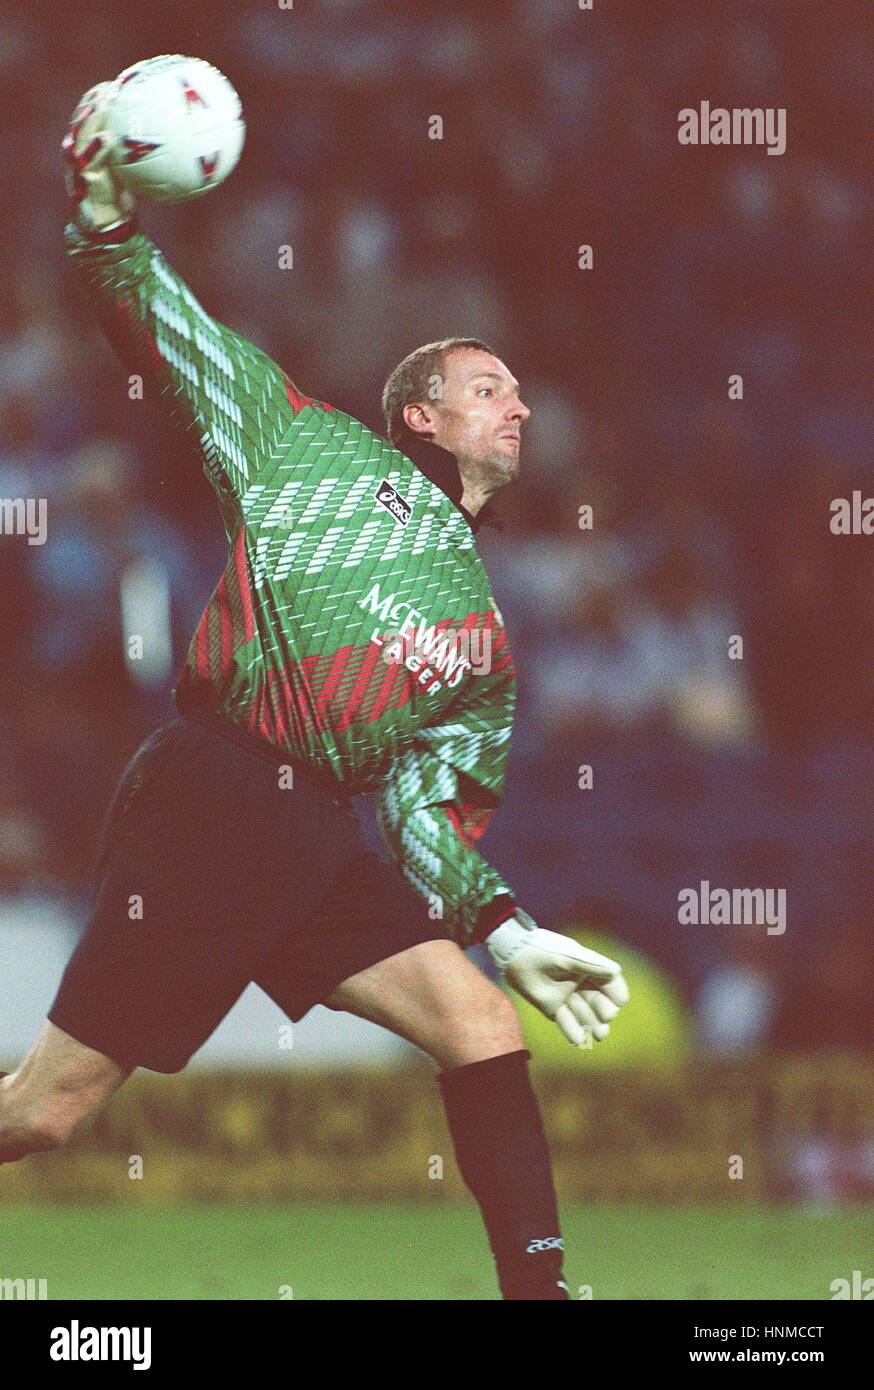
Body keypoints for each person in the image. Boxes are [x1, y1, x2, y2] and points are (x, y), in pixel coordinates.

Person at [0, 76, 629, 1301]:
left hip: (307, 828)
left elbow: (420, 815)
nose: (521, 403)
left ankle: (539, 1298)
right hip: (219, 789)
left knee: (481, 1021)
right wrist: (98, 210)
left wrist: (513, 931)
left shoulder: (486, 638)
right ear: (418, 412)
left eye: (522, 390)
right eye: (489, 384)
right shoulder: (311, 445)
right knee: (45, 1113)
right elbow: (163, 321)